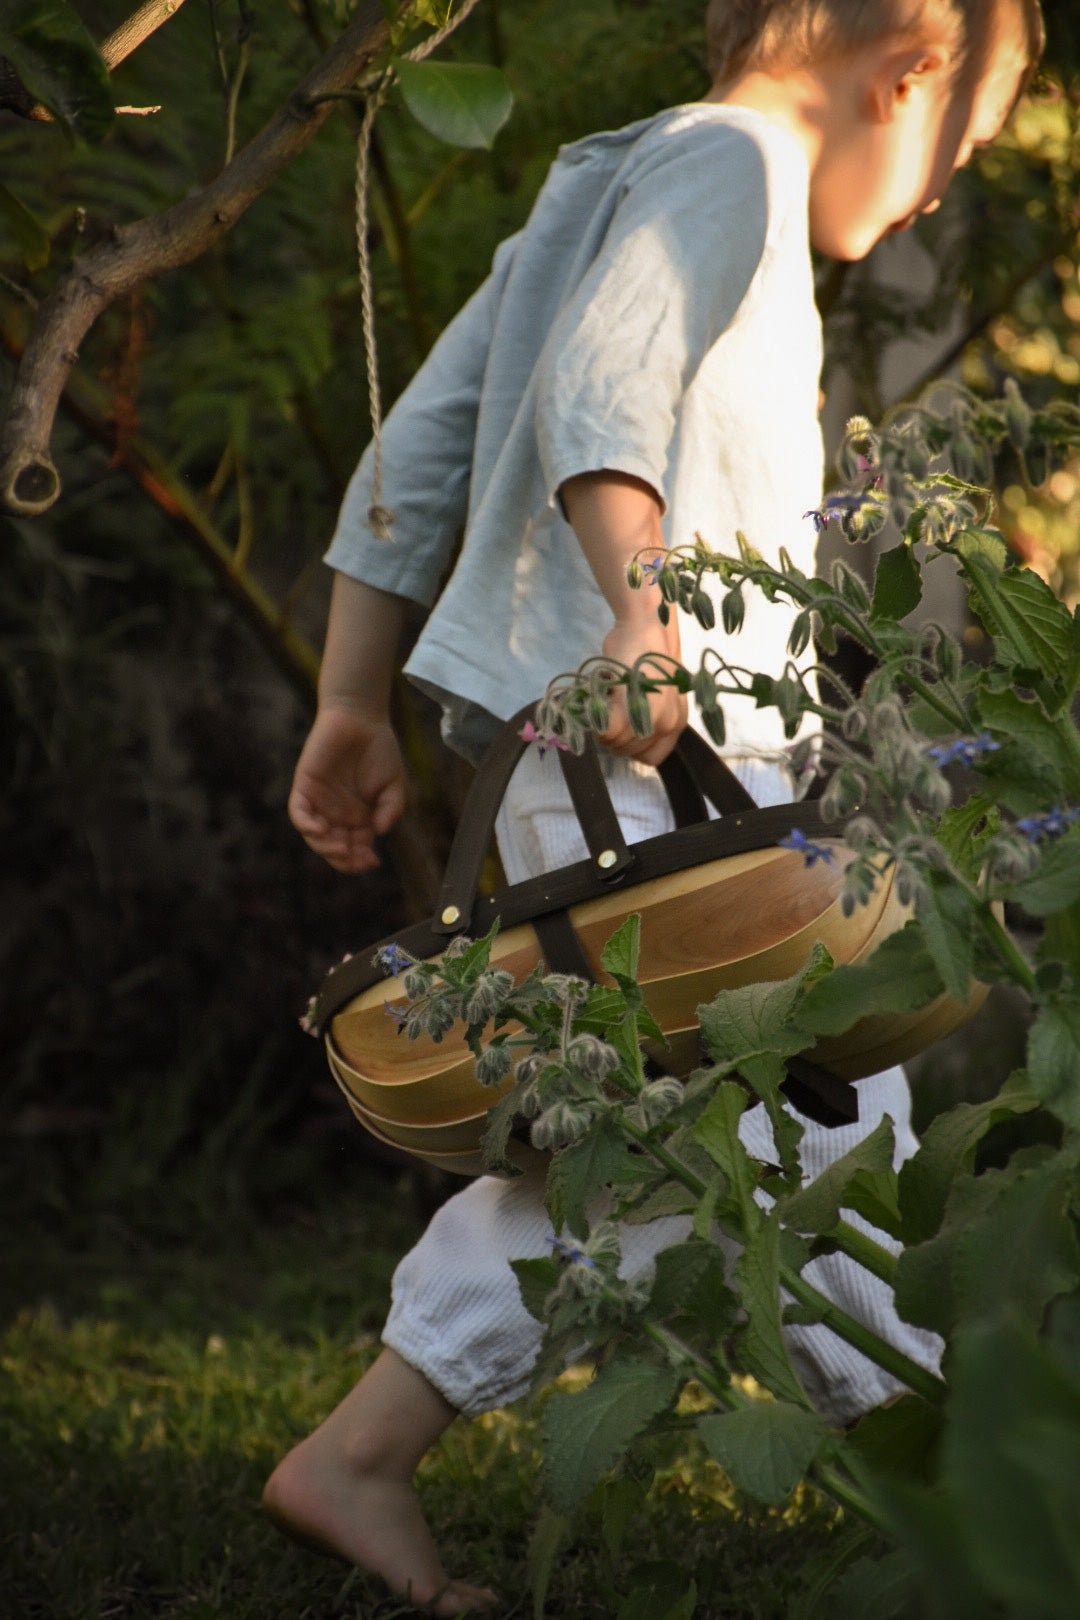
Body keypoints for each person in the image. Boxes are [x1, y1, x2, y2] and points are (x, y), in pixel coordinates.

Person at [263, 1, 1041, 1611]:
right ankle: (974, 1503)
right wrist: (644, 614)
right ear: (906, 73)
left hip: (612, 764)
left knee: (730, 1132)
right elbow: (606, 390)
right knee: (794, 1119)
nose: (933, 199)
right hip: (670, 764)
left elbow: (430, 435)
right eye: (953, 157)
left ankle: (959, 1488)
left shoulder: (602, 175)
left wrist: (353, 696)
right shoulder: (734, 166)